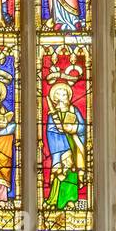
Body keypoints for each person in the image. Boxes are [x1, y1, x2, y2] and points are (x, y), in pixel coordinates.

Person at [45, 81, 86, 209]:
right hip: (60, 146)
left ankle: (71, 198)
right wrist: (60, 132)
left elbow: (82, 127)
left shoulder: (74, 110)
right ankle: (56, 199)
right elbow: (50, 132)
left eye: (65, 94)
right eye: (61, 95)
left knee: (72, 170)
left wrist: (73, 128)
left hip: (74, 143)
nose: (64, 97)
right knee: (61, 170)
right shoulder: (53, 115)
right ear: (55, 99)